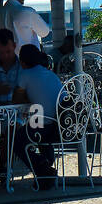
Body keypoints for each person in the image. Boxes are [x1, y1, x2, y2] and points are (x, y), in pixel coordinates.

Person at [15, 44, 64, 190]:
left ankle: (43, 168)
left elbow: (16, 101)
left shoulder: (24, 75)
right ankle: (45, 167)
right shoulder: (51, 74)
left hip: (43, 125)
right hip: (60, 126)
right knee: (38, 134)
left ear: (22, 62)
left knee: (17, 140)